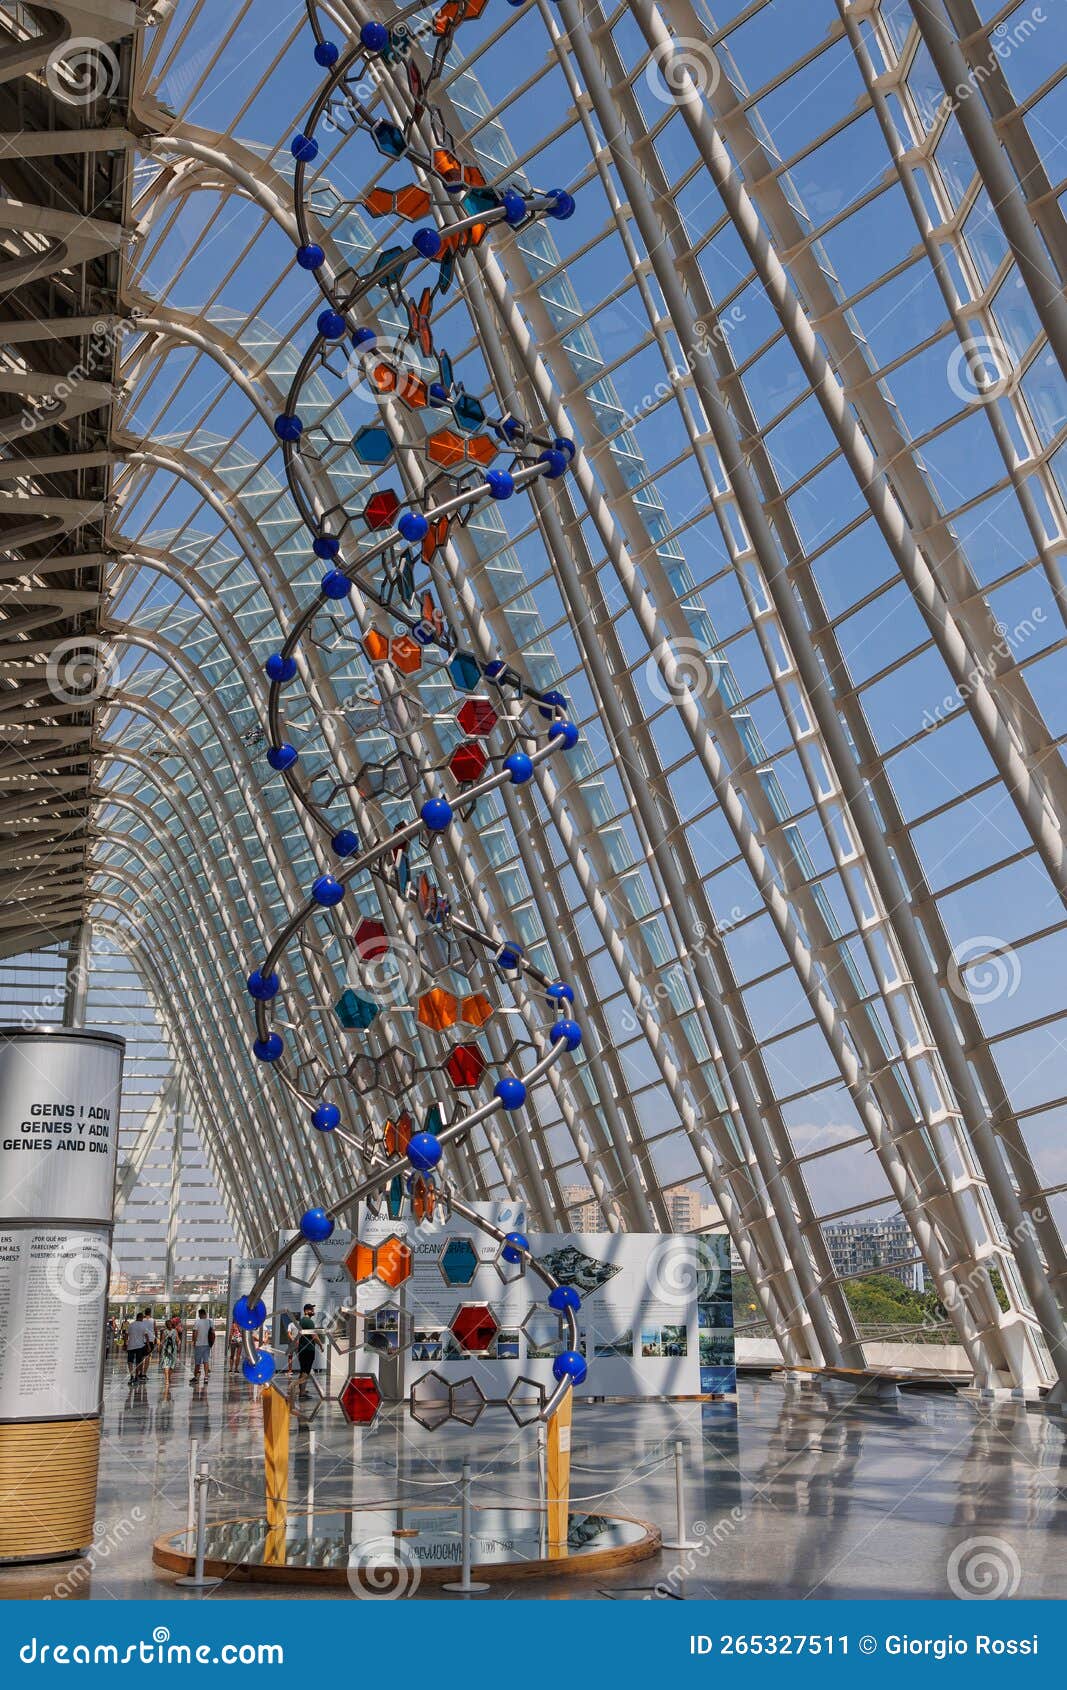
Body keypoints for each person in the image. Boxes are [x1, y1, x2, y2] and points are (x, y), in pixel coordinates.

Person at [296, 1303, 321, 1397]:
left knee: (303, 1370)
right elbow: (314, 1336)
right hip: (308, 1350)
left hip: (303, 1349)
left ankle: (302, 1390)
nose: (313, 1311)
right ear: (306, 1311)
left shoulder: (302, 1321)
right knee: (306, 1371)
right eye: (311, 1309)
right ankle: (302, 1392)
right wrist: (321, 1345)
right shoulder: (309, 1322)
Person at [190, 1306, 212, 1386]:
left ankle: (196, 1377)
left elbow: (195, 1333)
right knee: (206, 1361)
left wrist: (194, 1341)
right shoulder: (210, 1322)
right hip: (207, 1345)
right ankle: (206, 1377)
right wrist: (211, 1343)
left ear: (200, 1314)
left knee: (197, 1362)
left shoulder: (197, 1322)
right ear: (205, 1314)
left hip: (199, 1344)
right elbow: (212, 1333)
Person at [159, 1317, 179, 1398]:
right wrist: (178, 1347)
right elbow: (178, 1341)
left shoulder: (164, 1332)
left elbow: (162, 1341)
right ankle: (168, 1378)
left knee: (166, 1364)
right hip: (173, 1350)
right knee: (172, 1364)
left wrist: (159, 1348)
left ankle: (167, 1379)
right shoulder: (175, 1331)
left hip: (166, 1350)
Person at [125, 1311, 147, 1384]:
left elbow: (126, 1334)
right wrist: (148, 1345)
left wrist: (125, 1343)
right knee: (138, 1362)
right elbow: (146, 1335)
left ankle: (131, 1376)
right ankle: (137, 1376)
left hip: (131, 1345)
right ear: (141, 1318)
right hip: (140, 1346)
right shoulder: (143, 1325)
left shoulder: (131, 1324)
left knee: (130, 1361)